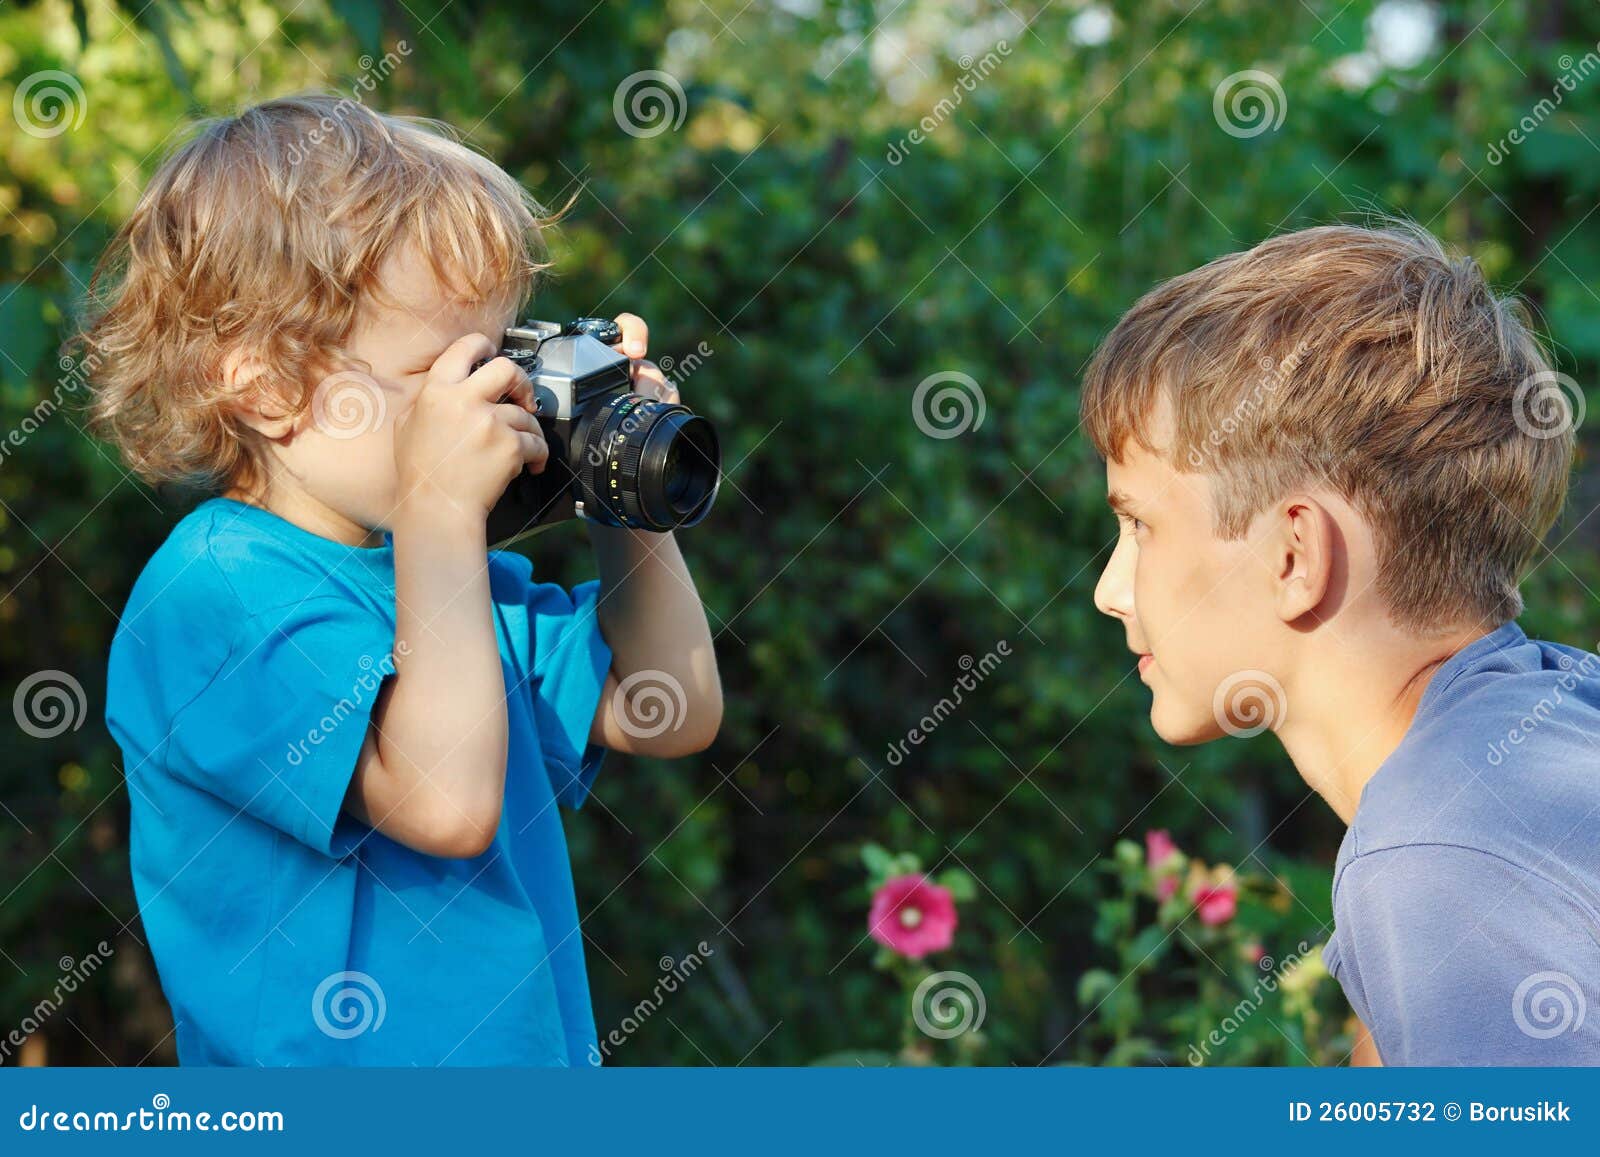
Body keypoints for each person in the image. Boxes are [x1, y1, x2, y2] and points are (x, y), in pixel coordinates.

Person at [79, 94, 722, 1065]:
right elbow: (444, 804)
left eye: (503, 355)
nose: (491, 402)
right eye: (441, 371)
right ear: (264, 384)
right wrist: (437, 518)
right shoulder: (212, 598)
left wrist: (620, 478)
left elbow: (668, 710)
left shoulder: (457, 581)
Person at [1082, 222, 1600, 1065]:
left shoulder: (1436, 859)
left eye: (1139, 523)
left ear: (1294, 556)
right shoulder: (1557, 715)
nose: (1109, 591)